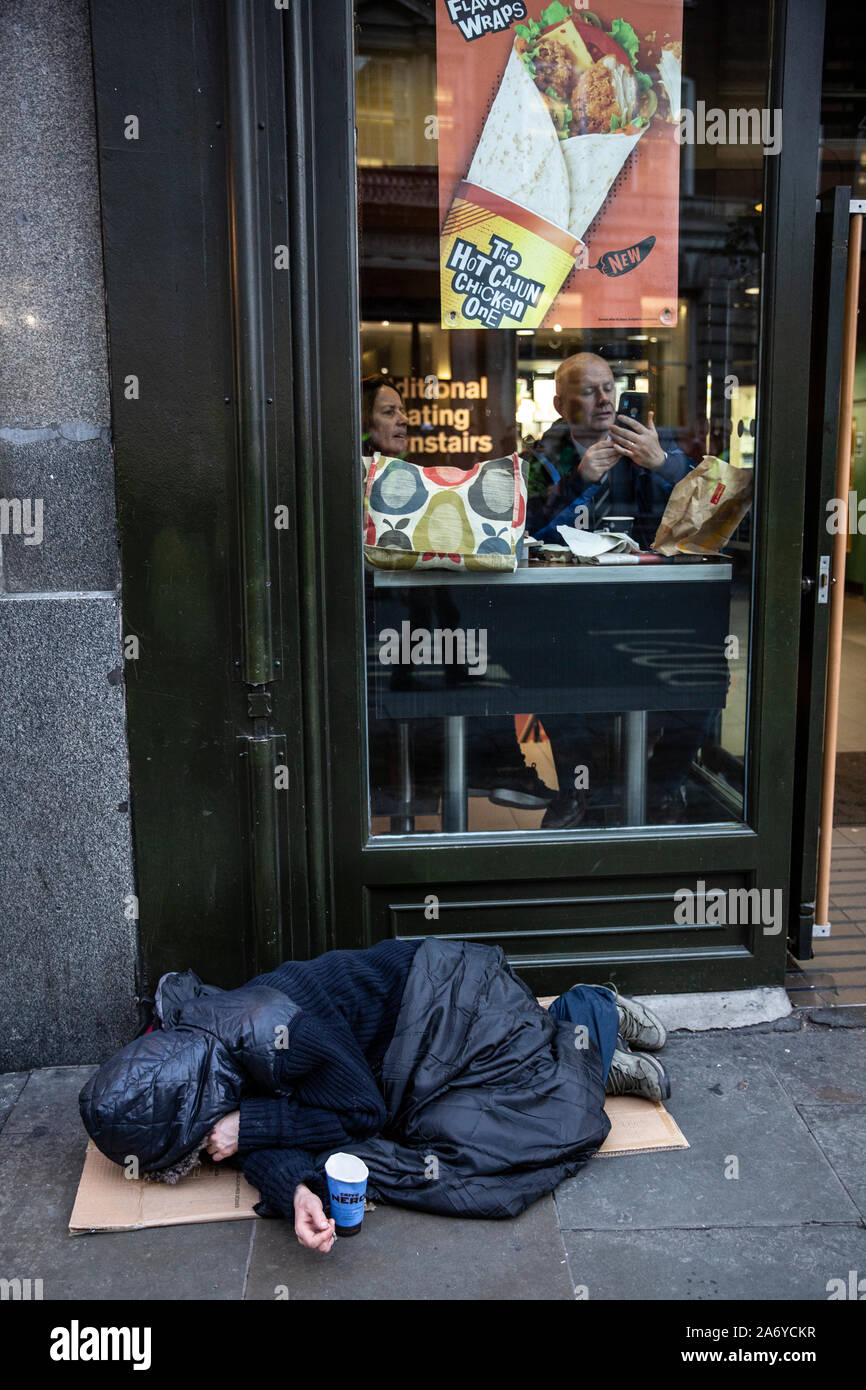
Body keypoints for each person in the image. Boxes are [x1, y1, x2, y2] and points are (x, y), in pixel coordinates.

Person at [79, 939, 670, 1253]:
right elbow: (265, 1119)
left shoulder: (273, 1035)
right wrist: (296, 1194)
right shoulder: (199, 1049)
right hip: (407, 1045)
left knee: (510, 1137)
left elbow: (361, 1111)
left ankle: (591, 1021)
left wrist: (251, 1128)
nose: (200, 1159)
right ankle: (573, 1045)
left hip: (447, 1001)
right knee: (407, 1154)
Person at [524, 352, 712, 828]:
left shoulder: (651, 443)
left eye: (609, 386)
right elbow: (520, 531)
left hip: (652, 606)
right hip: (569, 610)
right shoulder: (541, 457)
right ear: (561, 403)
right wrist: (577, 481)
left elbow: (717, 513)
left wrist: (665, 465)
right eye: (589, 391)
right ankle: (576, 790)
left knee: (708, 681)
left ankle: (662, 786)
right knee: (552, 674)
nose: (605, 398)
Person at [362, 374, 553, 819]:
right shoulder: (362, 476)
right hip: (381, 617)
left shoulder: (398, 474)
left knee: (471, 660)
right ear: (362, 424)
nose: (403, 421)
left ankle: (493, 766)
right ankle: (495, 768)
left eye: (403, 412)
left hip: (407, 619)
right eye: (389, 412)